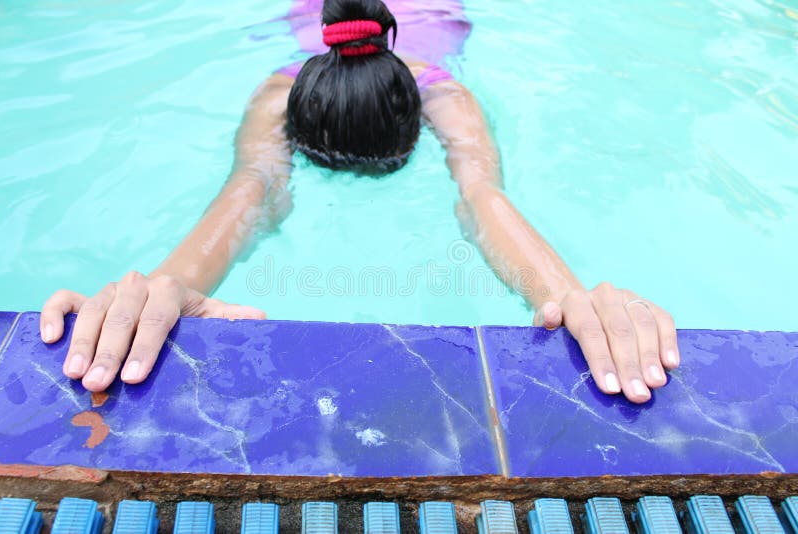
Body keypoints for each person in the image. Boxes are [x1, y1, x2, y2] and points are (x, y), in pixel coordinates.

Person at [40, 0, 679, 404]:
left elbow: (256, 185)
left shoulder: (434, 90)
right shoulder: (306, 89)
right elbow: (480, 191)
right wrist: (164, 287)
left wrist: (566, 296)